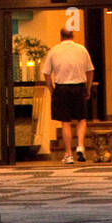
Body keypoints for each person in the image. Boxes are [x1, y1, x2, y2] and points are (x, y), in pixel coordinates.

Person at [41, 23, 94, 163]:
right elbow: (90, 71)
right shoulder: (82, 50)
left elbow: (46, 73)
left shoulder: (54, 50)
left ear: (61, 36)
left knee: (65, 122)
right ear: (73, 36)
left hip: (62, 88)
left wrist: (51, 88)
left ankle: (69, 154)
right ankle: (81, 146)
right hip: (79, 86)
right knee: (81, 119)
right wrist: (88, 88)